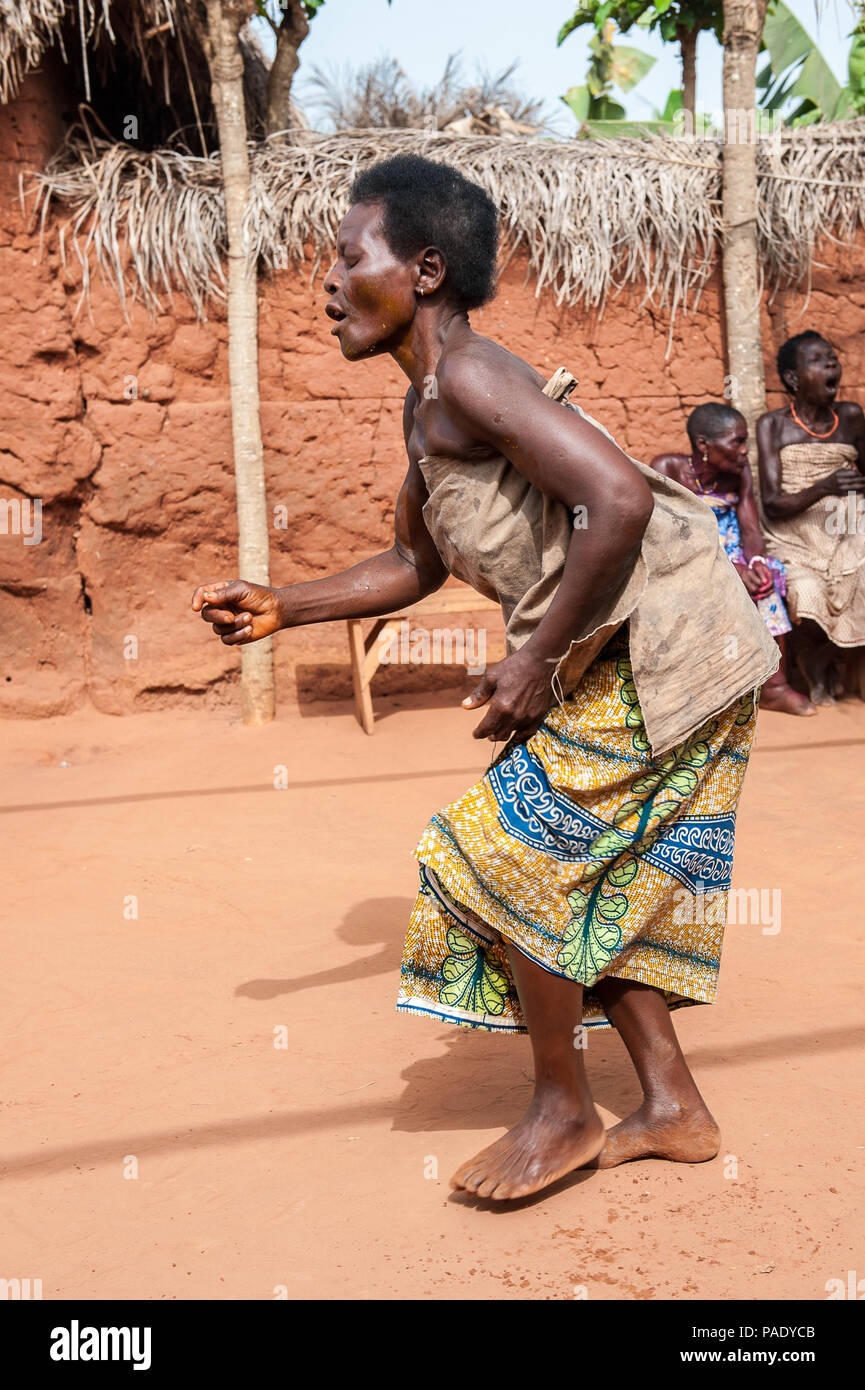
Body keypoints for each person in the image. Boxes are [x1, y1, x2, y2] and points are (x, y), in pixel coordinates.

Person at [192, 155, 778, 1202]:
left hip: (668, 644)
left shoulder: (468, 375)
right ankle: (671, 1105)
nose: (327, 281)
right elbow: (414, 563)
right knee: (567, 872)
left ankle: (562, 1109)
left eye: (346, 255)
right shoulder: (428, 405)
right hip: (638, 647)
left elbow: (615, 498)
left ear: (421, 270)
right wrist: (285, 604)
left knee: (497, 857)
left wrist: (534, 656)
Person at [651, 402, 813, 717]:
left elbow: (750, 529)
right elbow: (666, 535)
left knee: (766, 584)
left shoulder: (739, 474)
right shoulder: (666, 469)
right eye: (736, 442)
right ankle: (694, 692)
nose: (744, 451)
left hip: (734, 554)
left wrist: (755, 563)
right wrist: (727, 568)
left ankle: (773, 686)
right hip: (687, 556)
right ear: (703, 445)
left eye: (745, 442)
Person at [757, 331, 865, 705]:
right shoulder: (772, 425)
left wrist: (852, 491)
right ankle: (814, 659)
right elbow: (772, 504)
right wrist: (825, 487)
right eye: (819, 360)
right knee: (806, 590)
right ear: (793, 379)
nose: (831, 364)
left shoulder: (850, 416)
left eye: (832, 358)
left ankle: (837, 660)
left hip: (849, 526)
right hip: (795, 535)